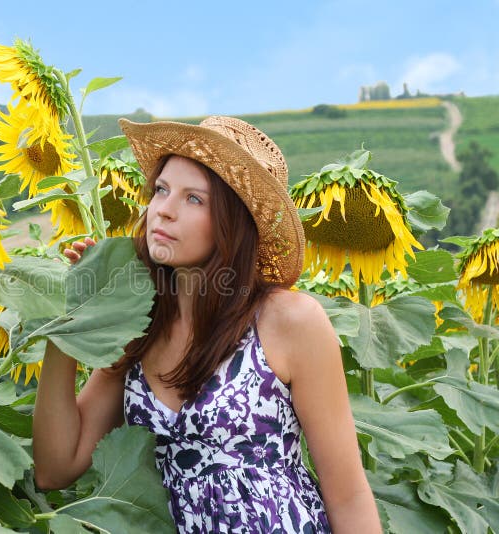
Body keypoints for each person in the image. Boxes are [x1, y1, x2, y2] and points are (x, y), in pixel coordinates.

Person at [32, 116, 381, 533]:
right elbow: (55, 469)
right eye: (162, 190)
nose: (163, 209)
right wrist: (71, 320)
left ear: (232, 222)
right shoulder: (138, 326)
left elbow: (348, 495)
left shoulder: (289, 321)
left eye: (193, 199)